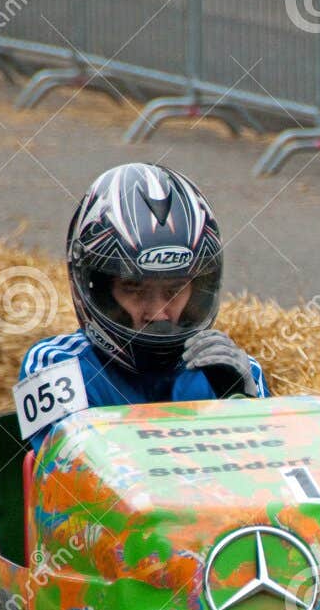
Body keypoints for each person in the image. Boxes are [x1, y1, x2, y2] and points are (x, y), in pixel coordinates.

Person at [18, 162, 267, 449]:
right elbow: (70, 470)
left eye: (174, 291)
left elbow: (273, 479)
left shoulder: (230, 370)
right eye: (134, 289)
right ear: (97, 288)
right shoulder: (57, 367)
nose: (158, 312)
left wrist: (241, 403)